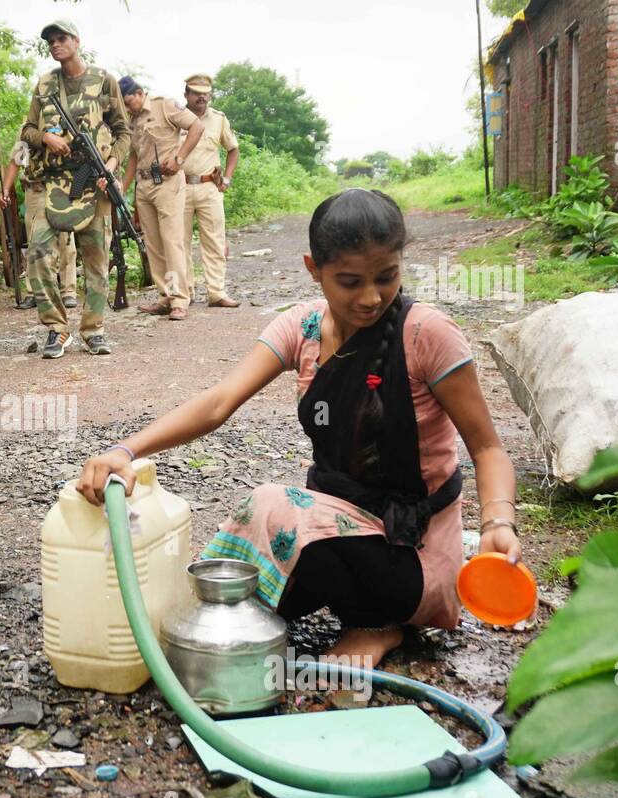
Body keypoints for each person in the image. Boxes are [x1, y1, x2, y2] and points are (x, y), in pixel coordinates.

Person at [77, 190, 522, 667]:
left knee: (276, 506)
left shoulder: (426, 334)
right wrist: (126, 450)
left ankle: (382, 626)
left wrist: (498, 523)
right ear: (314, 268)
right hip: (334, 541)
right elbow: (219, 402)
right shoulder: (302, 328)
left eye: (386, 277)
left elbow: (488, 449)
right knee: (240, 578)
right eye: (350, 282)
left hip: (411, 558)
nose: (371, 298)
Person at [20, 20, 131, 359]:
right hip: (54, 183)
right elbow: (27, 130)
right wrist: (45, 137)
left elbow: (123, 132)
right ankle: (57, 328)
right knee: (38, 252)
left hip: (94, 181)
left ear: (77, 41)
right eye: (51, 41)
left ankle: (93, 329)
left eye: (62, 38)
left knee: (96, 259)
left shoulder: (104, 80)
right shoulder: (45, 84)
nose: (55, 44)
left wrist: (110, 166)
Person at [121, 77, 204, 321]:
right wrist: (124, 188)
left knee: (172, 241)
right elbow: (134, 156)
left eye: (128, 102)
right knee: (154, 244)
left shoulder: (164, 105)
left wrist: (179, 158)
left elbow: (196, 126)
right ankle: (165, 296)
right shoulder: (131, 119)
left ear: (139, 93)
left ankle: (180, 299)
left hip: (167, 183)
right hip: (144, 184)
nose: (127, 108)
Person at [1, 128, 79, 311]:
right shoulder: (27, 130)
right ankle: (35, 292)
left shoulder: (65, 123)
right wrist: (5, 189)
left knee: (66, 240)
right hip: (35, 189)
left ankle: (68, 291)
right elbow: (16, 160)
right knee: (34, 241)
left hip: (62, 188)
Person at [179, 74, 240, 309]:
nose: (201, 97)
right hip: (180, 187)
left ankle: (216, 292)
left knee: (214, 240)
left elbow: (233, 149)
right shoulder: (176, 117)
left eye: (205, 93)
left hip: (209, 186)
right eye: (196, 93)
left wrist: (227, 179)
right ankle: (185, 293)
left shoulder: (218, 119)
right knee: (179, 242)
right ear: (186, 95)